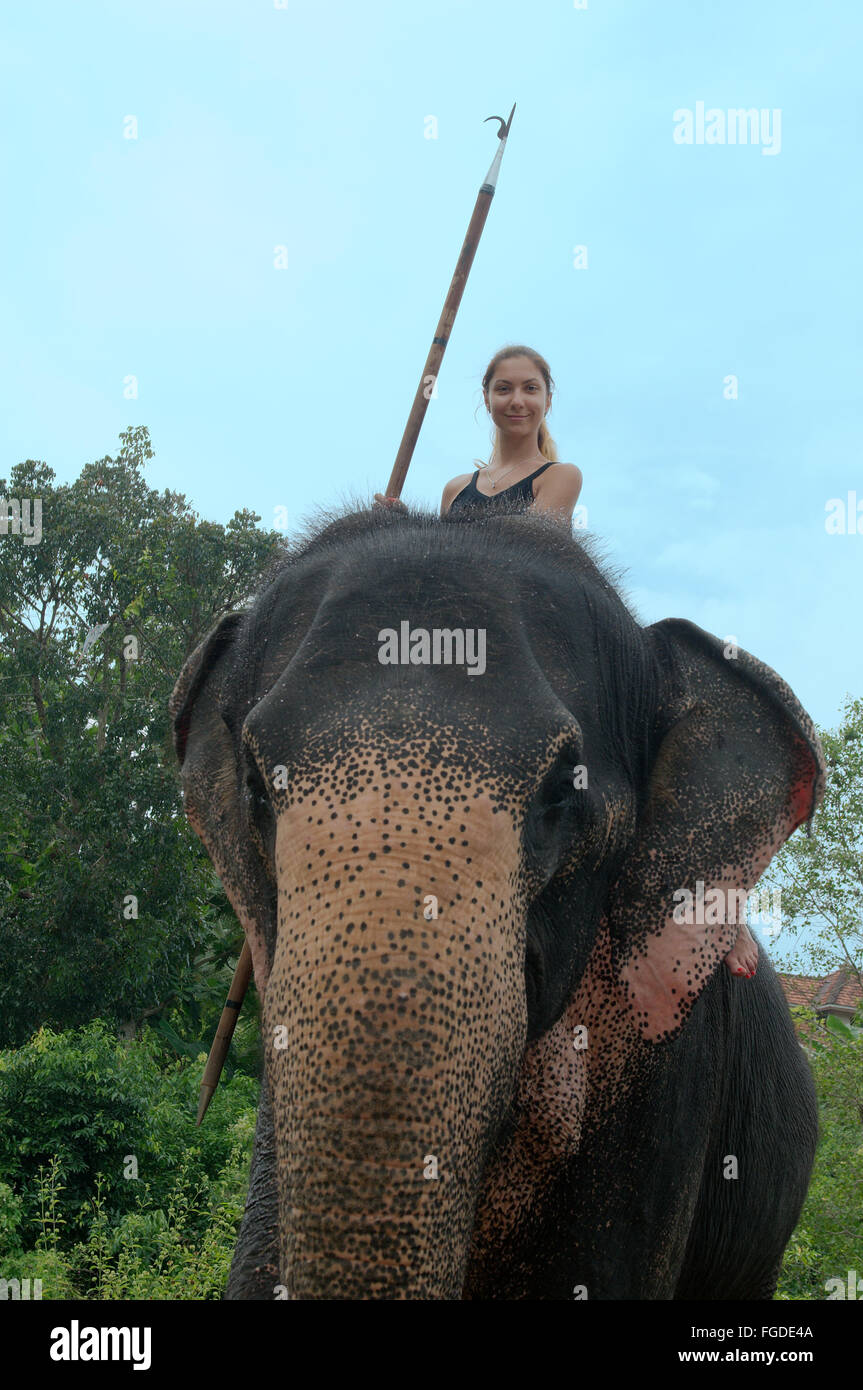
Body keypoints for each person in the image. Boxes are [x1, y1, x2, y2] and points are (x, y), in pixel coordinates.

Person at [375, 343, 757, 980]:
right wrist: (395, 532)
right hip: (470, 650)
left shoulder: (560, 476)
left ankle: (720, 903)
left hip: (546, 633)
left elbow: (531, 550)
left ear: (547, 399)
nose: (516, 400)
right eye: (503, 389)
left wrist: (429, 537)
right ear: (486, 399)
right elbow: (440, 577)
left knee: (649, 717)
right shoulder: (452, 490)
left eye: (530, 389)